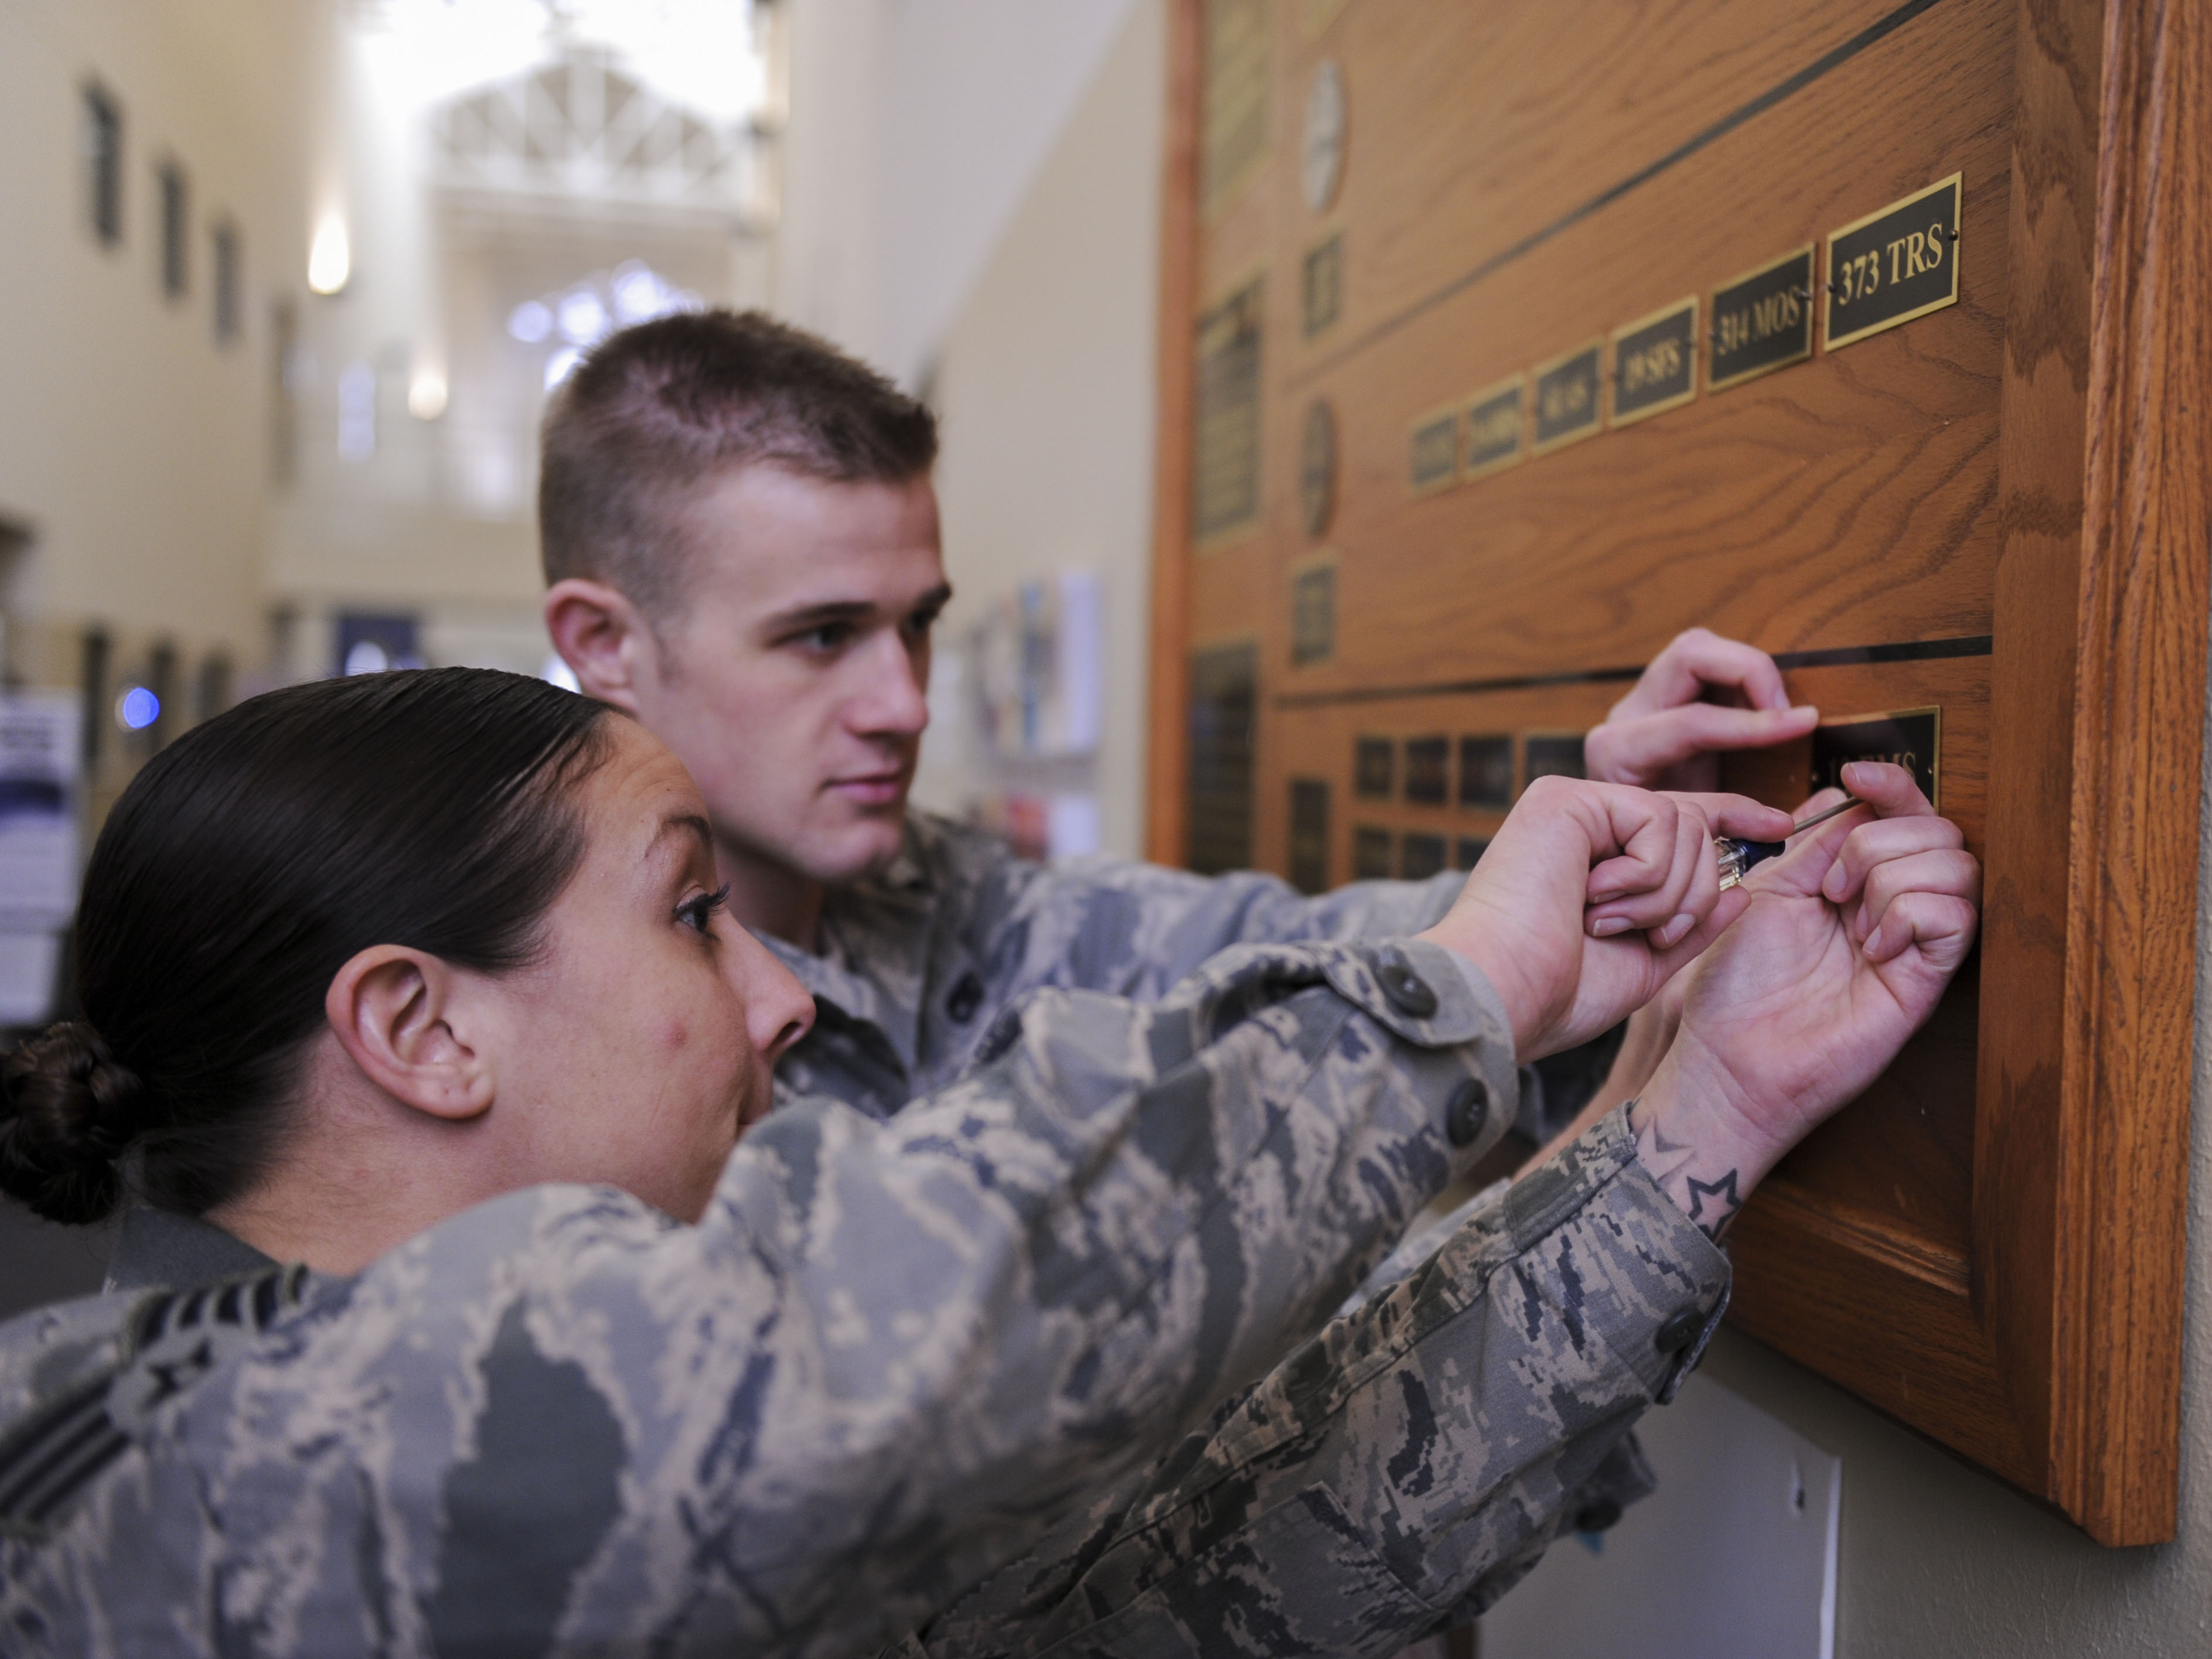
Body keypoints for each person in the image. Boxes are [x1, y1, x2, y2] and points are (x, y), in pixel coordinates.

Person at [0, 668, 1971, 1656]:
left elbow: (1171, 1599)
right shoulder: (140, 1469)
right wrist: (1461, 985)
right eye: (692, 917)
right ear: (418, 1030)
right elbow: (868, 1382)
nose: (781, 1001)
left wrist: (1687, 1127)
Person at [538, 310, 1820, 1131]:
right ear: (605, 646)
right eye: (820, 637)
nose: (904, 703)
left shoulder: (952, 896)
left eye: (916, 622)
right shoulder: (548, 1054)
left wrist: (1607, 862)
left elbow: (1289, 957)